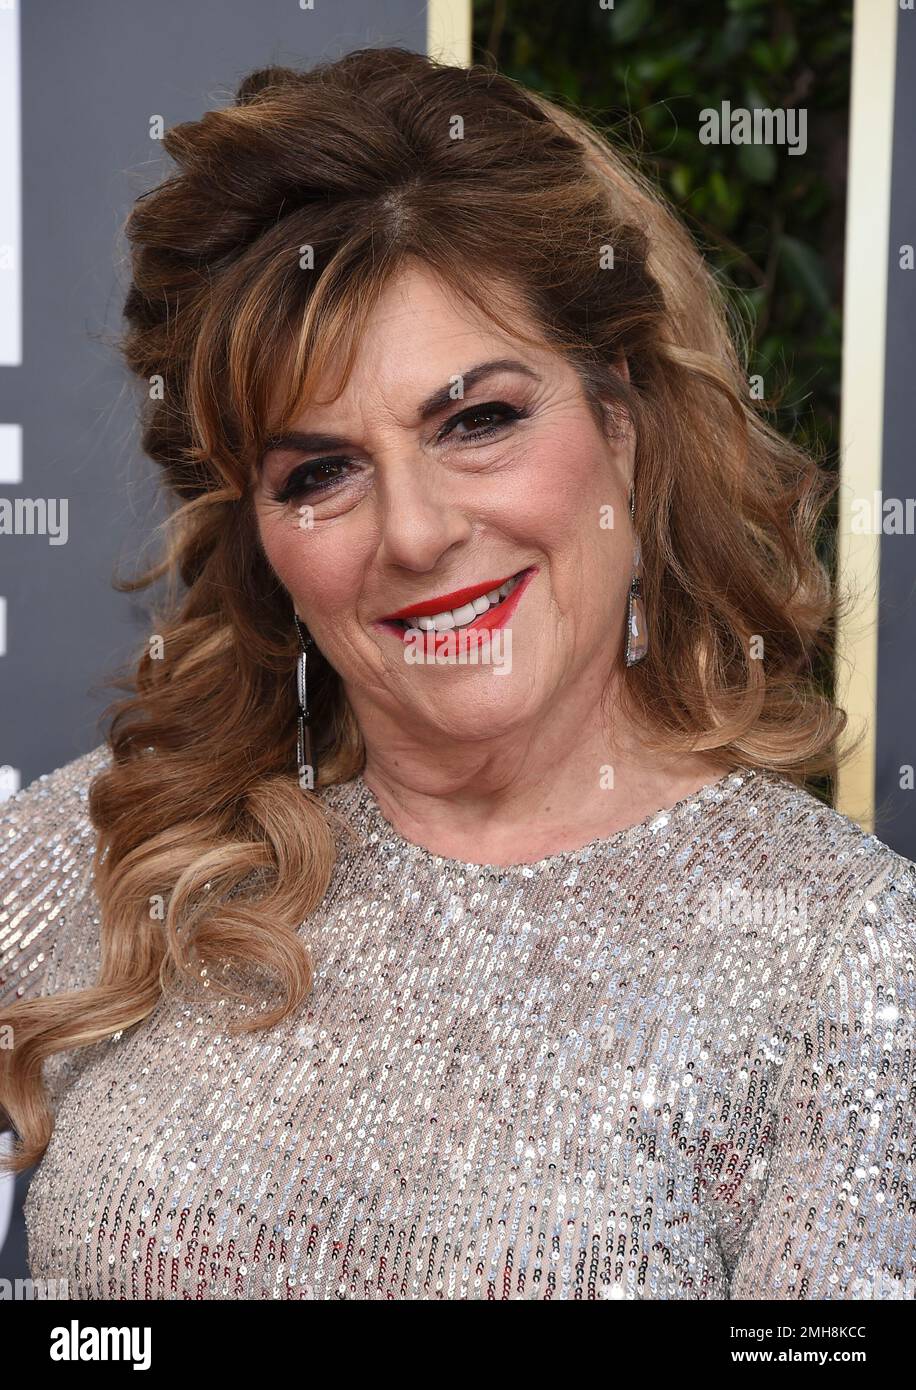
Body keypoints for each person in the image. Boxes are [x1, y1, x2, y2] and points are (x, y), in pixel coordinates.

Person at [1, 46, 914, 1301]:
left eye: (477, 420)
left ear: (623, 418)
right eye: (320, 472)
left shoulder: (845, 965)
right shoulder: (104, 854)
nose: (417, 533)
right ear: (258, 534)